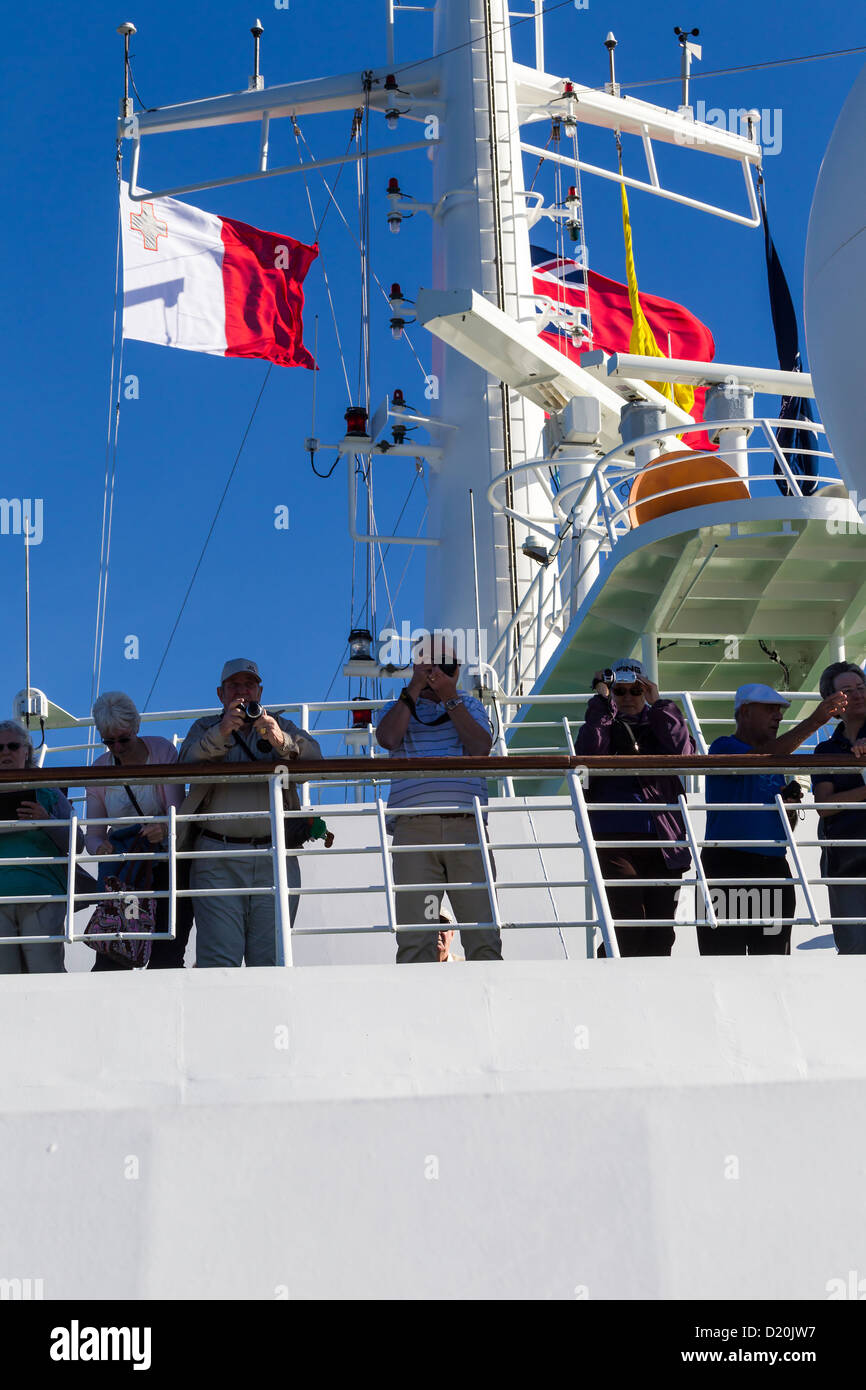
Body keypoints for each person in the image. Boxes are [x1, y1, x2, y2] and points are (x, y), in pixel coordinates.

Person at [178, 658, 322, 968]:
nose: (243, 692)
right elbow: (184, 766)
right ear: (221, 694)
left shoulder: (282, 725)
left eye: (249, 685)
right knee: (218, 960)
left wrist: (279, 739)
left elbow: (316, 761)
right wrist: (221, 732)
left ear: (260, 690)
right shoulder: (204, 727)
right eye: (234, 686)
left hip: (274, 856)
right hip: (216, 858)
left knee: (271, 959)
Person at [375, 633, 501, 964]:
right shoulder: (396, 707)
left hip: (466, 830)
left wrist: (450, 696)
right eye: (428, 663)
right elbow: (388, 738)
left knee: (482, 933)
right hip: (414, 832)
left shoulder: (470, 704)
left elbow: (480, 748)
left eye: (445, 664)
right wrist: (414, 690)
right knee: (416, 938)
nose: (436, 670)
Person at [699, 682, 847, 955]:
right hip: (727, 867)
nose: (778, 716)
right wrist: (816, 721)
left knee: (774, 960)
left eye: (778, 710)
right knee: (723, 962)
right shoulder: (724, 746)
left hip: (772, 866)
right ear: (744, 713)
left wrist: (789, 810)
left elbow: (783, 828)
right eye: (770, 709)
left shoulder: (775, 760)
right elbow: (760, 759)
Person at [576, 657, 694, 957]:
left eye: (636, 691)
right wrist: (602, 703)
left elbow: (684, 755)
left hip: (663, 841)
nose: (628, 697)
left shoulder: (661, 721)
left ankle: (652, 999)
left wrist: (661, 705)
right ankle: (604, 988)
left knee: (661, 935)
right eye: (620, 691)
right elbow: (589, 755)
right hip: (614, 839)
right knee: (628, 926)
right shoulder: (601, 721)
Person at [86, 692, 190, 970]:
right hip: (125, 875)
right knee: (117, 951)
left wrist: (164, 829)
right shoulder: (98, 770)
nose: (117, 748)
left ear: (136, 728)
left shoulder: (162, 751)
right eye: (109, 741)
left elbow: (176, 811)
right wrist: (101, 848)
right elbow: (93, 833)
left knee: (166, 954)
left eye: (123, 739)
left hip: (163, 867)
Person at [0, 718, 84, 974]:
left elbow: (77, 842)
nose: (5, 753)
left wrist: (45, 819)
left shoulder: (47, 788)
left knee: (45, 972)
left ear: (26, 751)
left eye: (12, 746)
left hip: (42, 895)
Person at [811, 661, 866, 954]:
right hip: (847, 862)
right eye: (847, 690)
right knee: (855, 949)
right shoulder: (826, 751)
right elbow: (824, 806)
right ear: (832, 701)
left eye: (861, 687)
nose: (858, 694)